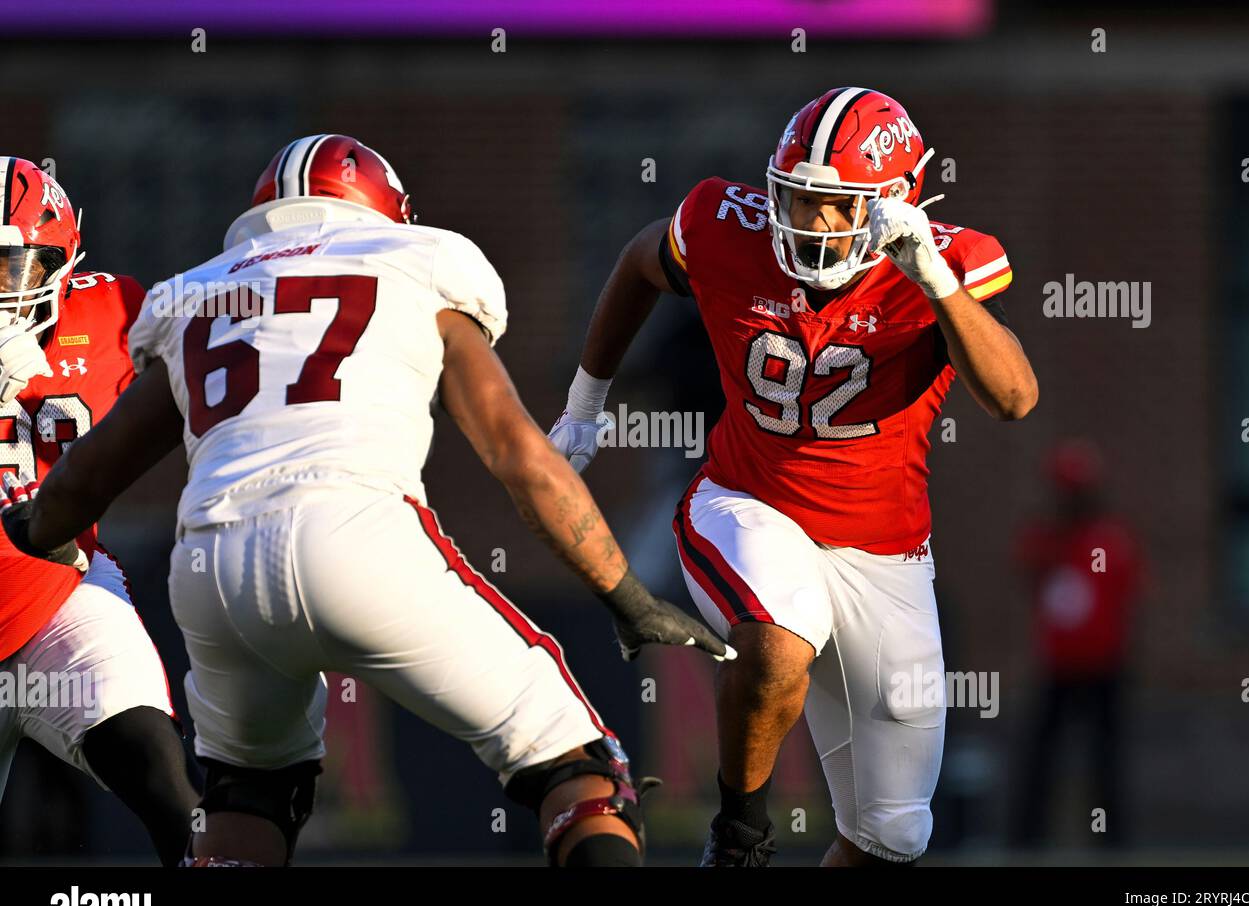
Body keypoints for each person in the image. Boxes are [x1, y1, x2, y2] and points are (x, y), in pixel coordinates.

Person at [2, 135, 732, 867]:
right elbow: (520, 456)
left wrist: (33, 525)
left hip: (211, 567)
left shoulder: (199, 293)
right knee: (580, 774)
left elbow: (87, 478)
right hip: (358, 536)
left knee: (245, 808)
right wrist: (627, 597)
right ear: (390, 215)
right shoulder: (418, 266)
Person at [549, 88, 1037, 866]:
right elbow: (640, 260)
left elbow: (1014, 399)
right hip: (748, 501)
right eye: (797, 197)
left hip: (885, 548)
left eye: (833, 205)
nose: (807, 222)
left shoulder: (948, 260)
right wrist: (585, 403)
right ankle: (739, 834)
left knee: (894, 835)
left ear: (892, 206)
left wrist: (935, 282)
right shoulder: (724, 225)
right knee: (778, 645)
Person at [0, 156, 196, 865]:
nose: (2, 289)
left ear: (64, 263)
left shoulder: (114, 310)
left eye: (16, 266)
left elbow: (215, 376)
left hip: (58, 587)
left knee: (161, 776)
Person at [1012, 439, 1143, 848]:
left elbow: (1130, 597)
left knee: (1106, 760)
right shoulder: (1046, 540)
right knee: (1042, 756)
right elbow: (1028, 571)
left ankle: (1112, 843)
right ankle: (1028, 841)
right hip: (1058, 668)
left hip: (1105, 668)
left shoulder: (1112, 540)